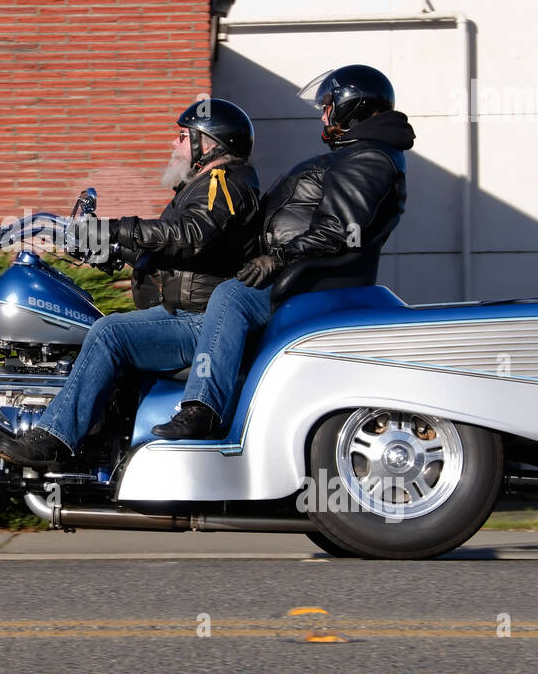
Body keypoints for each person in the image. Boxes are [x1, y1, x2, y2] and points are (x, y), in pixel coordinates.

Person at [150, 63, 416, 440]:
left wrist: (277, 257)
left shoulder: (367, 157)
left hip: (310, 282)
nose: (323, 115)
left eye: (328, 105)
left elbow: (339, 231)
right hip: (302, 274)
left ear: (350, 107)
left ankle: (202, 408)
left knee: (231, 296)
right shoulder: (362, 153)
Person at [0, 98, 262, 469]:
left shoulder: (224, 183)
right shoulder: (202, 187)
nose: (174, 144)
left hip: (198, 320)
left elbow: (191, 235)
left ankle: (54, 439)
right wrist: (112, 250)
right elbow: (180, 255)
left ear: (210, 143)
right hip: (182, 313)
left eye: (183, 137)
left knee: (109, 333)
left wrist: (117, 227)